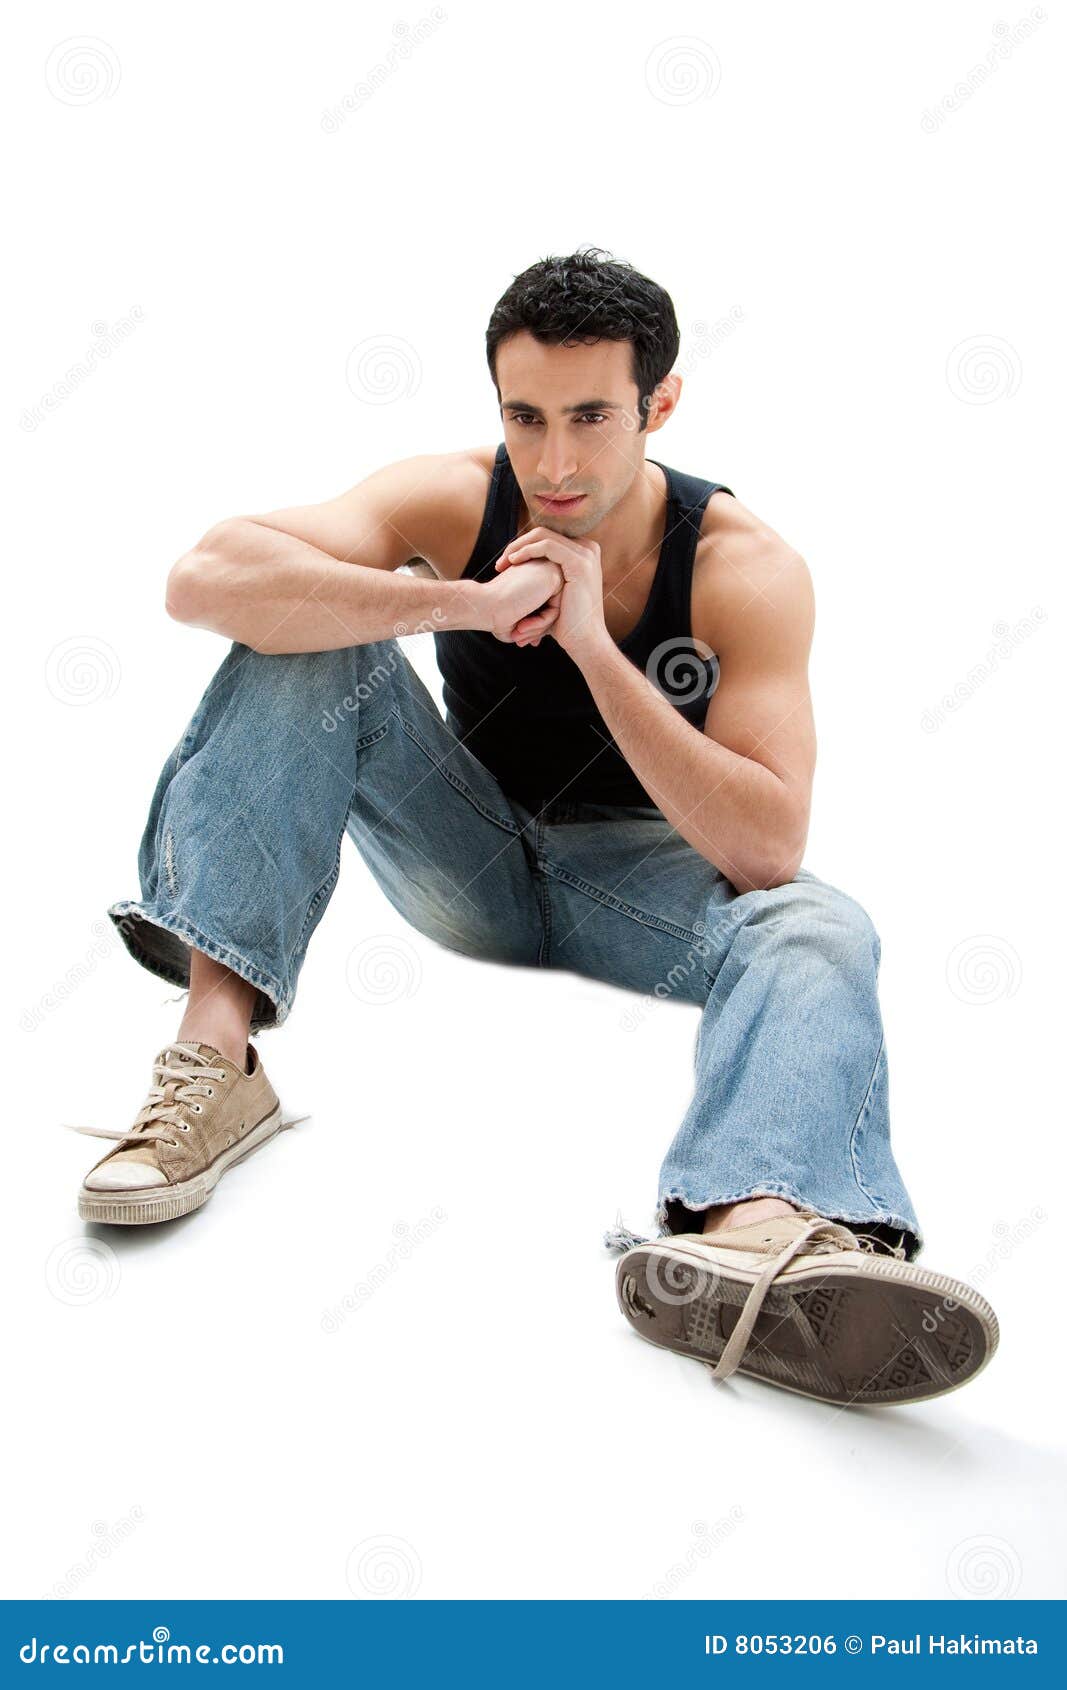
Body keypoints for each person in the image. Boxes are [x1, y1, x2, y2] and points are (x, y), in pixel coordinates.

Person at [77, 248, 998, 1406]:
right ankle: (216, 1064)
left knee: (818, 923)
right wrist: (460, 603)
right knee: (306, 640)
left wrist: (590, 645)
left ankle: (753, 1227)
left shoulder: (741, 567)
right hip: (462, 849)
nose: (553, 462)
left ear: (658, 405)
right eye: (524, 416)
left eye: (591, 417)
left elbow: (764, 850)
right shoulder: (456, 500)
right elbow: (206, 576)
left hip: (641, 882)